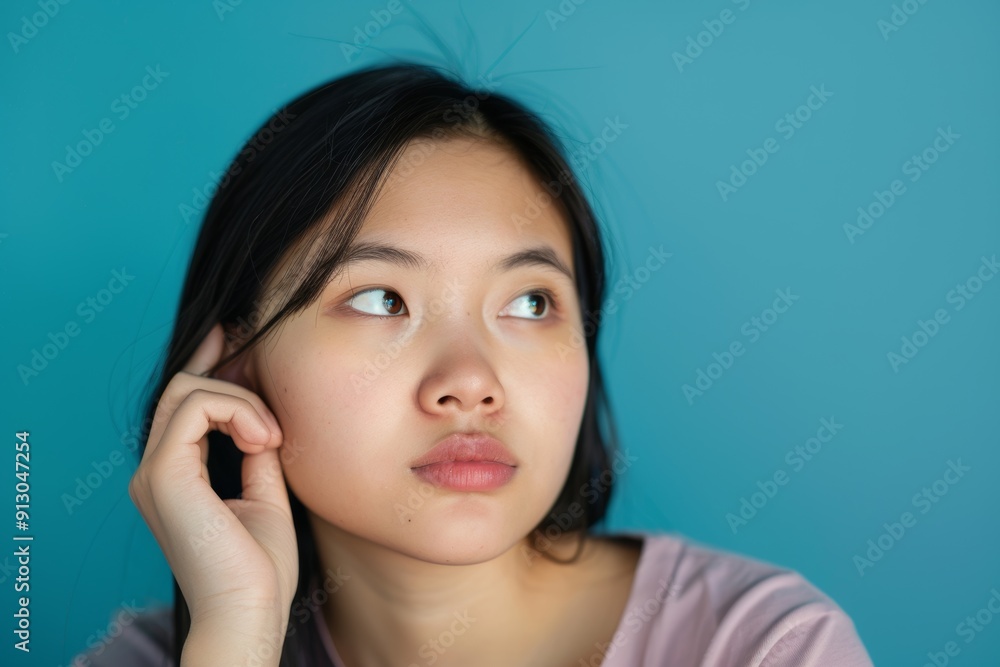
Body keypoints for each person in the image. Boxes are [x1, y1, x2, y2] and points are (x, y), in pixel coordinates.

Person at [72, 62, 875, 666]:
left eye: (530, 304)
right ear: (235, 367)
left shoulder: (762, 644)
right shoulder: (167, 655)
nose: (471, 380)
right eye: (383, 298)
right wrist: (236, 634)